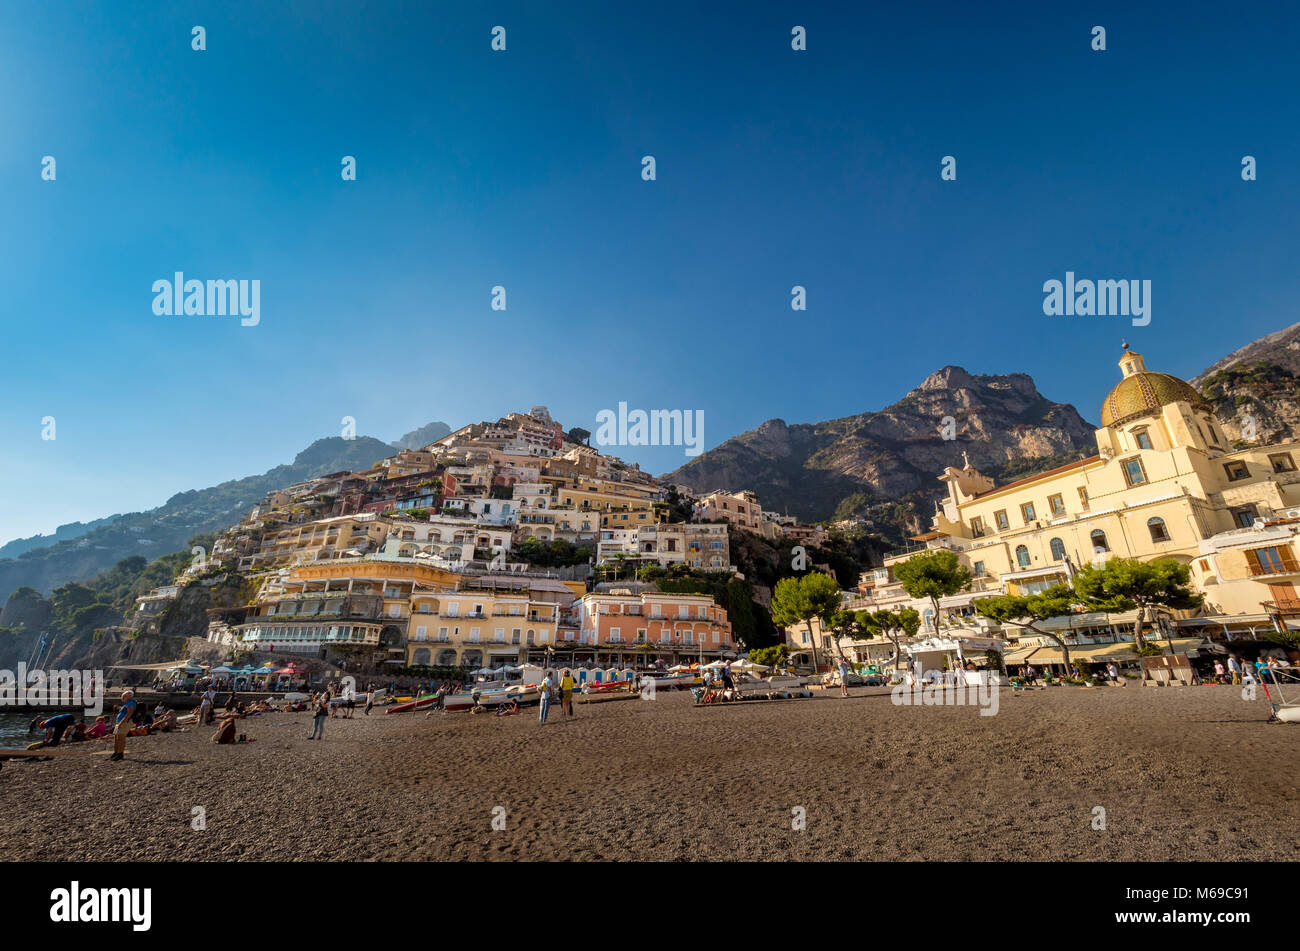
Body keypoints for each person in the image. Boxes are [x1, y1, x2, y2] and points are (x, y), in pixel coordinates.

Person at [111, 689, 137, 761]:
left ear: (128, 696)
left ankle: (120, 754)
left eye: (123, 696)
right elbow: (125, 710)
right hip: (120, 722)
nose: (122, 697)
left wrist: (121, 723)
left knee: (121, 737)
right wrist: (118, 707)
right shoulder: (127, 703)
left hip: (125, 722)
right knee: (116, 737)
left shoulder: (131, 703)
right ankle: (116, 752)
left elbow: (129, 713)